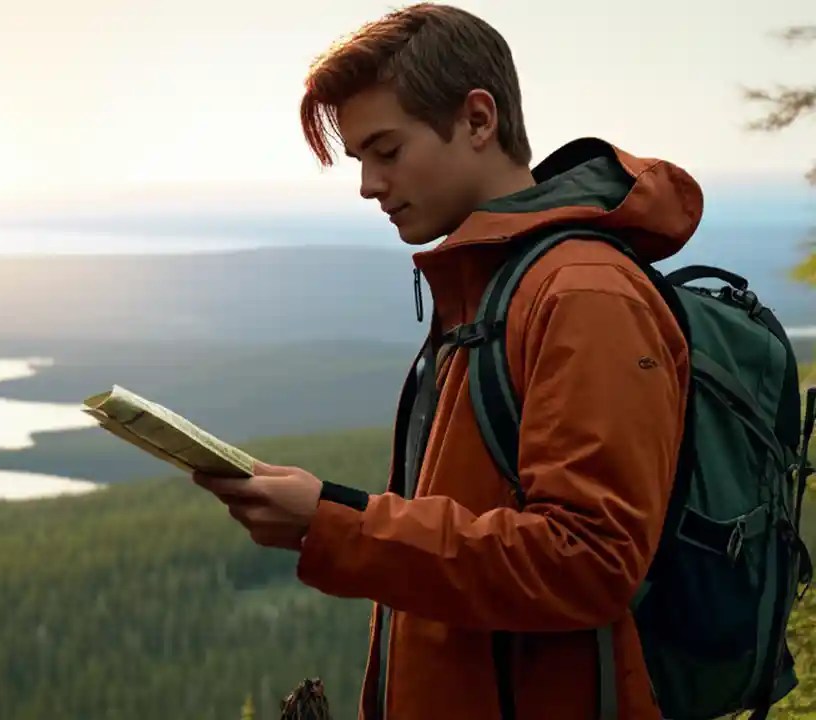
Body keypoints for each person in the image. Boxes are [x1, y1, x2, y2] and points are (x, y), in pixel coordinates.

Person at [191, 3, 696, 719]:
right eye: (360, 160)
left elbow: (588, 561)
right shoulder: (491, 291)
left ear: (478, 120)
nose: (369, 184)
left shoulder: (583, 296)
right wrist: (329, 514)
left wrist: (333, 523)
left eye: (387, 151)